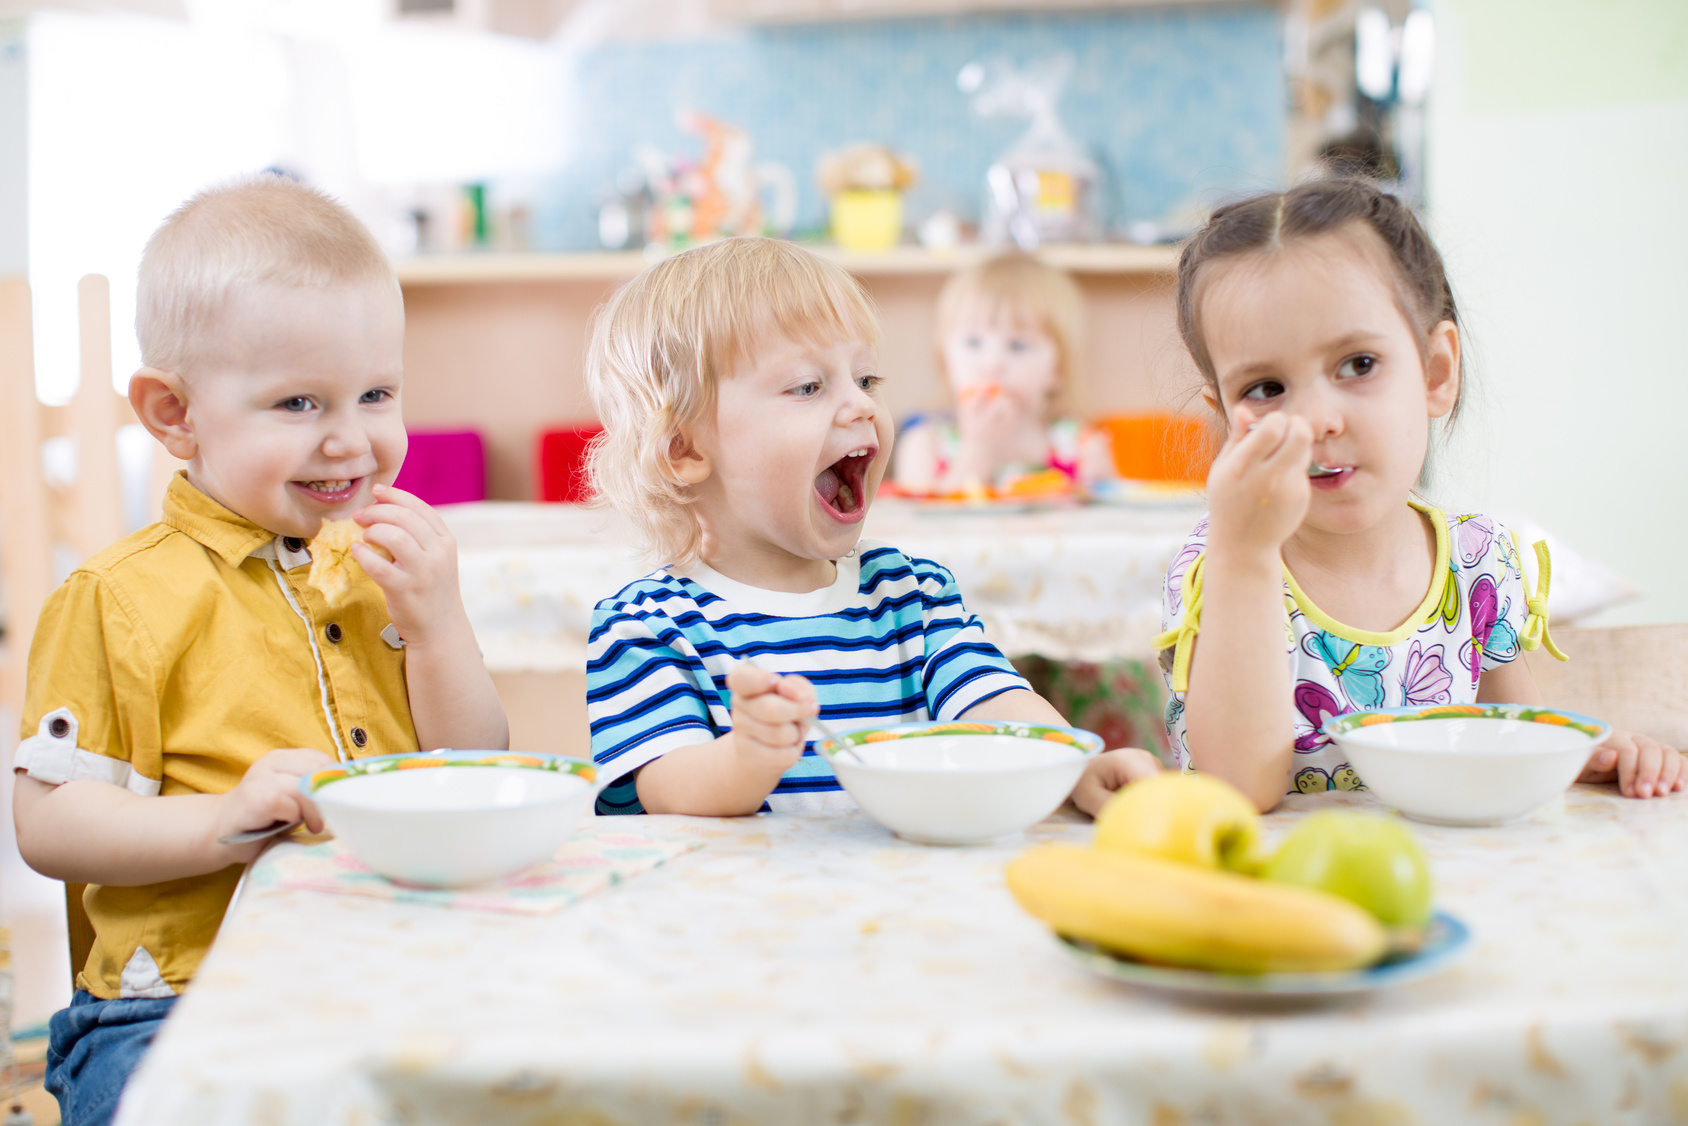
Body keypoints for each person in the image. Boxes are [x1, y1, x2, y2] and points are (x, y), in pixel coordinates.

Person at [12, 174, 508, 1126]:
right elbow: (47, 825)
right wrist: (220, 820)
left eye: (376, 394)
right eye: (298, 404)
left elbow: (471, 762)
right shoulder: (115, 598)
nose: (350, 439)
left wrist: (440, 624)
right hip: (172, 1002)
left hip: (385, 959)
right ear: (173, 414)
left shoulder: (378, 567)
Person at [1154, 178, 1684, 811]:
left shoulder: (1478, 560)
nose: (1319, 419)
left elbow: (1517, 745)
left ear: (1437, 372)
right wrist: (1244, 554)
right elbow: (1235, 793)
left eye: (1357, 365)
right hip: (1274, 897)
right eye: (1266, 388)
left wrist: (1589, 756)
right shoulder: (1224, 567)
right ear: (1225, 417)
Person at [584, 237, 1160, 817]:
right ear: (683, 449)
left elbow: (994, 697)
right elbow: (667, 789)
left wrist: (1073, 762)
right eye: (808, 386)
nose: (860, 406)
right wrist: (749, 757)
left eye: (866, 381)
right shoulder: (645, 627)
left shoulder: (912, 595)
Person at [891, 252, 1114, 496]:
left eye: (1017, 346)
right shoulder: (925, 444)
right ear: (945, 361)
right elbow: (921, 527)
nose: (992, 364)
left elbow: (1114, 522)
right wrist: (978, 453)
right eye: (973, 343)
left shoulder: (1078, 446)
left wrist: (1102, 482)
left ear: (1057, 371)